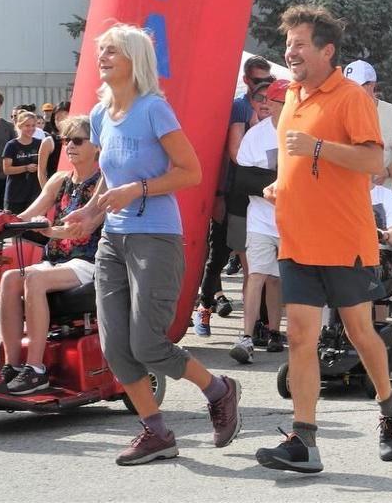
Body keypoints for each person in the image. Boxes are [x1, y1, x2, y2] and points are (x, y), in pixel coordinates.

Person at [64, 23, 241, 466]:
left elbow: (191, 172)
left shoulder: (154, 109)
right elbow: (111, 174)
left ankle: (218, 389)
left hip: (156, 237)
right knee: (115, 347)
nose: (102, 57)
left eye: (111, 52)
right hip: (113, 239)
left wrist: (137, 190)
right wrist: (90, 212)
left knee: (147, 344)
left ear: (134, 60)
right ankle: (156, 432)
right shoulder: (101, 115)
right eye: (100, 51)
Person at [252, 5, 392, 473]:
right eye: (289, 44)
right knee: (300, 335)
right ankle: (305, 441)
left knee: (361, 334)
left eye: (299, 44)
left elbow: (372, 162)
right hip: (297, 240)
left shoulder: (350, 98)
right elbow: (293, 162)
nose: (290, 52)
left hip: (345, 241)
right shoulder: (293, 96)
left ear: (326, 50)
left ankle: (388, 408)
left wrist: (317, 148)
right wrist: (282, 184)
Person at [0, 115, 103, 394]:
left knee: (34, 280)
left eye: (78, 140)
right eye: (67, 140)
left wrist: (50, 231)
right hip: (55, 259)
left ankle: (36, 369)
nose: (70, 146)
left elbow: (83, 229)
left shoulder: (104, 182)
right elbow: (27, 212)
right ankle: (13, 365)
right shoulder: (59, 180)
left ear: (97, 146)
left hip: (86, 261)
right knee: (10, 278)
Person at [194, 57, 274, 332]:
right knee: (218, 255)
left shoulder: (273, 113)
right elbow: (234, 155)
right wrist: (218, 194)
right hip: (231, 194)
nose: (263, 92)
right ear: (246, 82)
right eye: (256, 83)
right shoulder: (240, 108)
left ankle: (260, 325)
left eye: (267, 83)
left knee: (256, 265)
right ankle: (204, 307)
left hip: (258, 201)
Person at [229, 80, 288, 363]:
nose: (287, 106)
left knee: (276, 280)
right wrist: (277, 185)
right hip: (261, 220)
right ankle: (247, 335)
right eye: (283, 101)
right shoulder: (256, 135)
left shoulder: (303, 134)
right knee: (256, 275)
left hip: (292, 220)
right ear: (273, 105)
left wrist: (277, 186)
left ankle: (275, 331)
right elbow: (243, 179)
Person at [345, 60, 392, 192]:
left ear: (372, 85)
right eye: (347, 85)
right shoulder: (338, 112)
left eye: (357, 85)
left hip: (383, 196)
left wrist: (386, 172)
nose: (350, 90)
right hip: (349, 195)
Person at [2, 111, 43, 214]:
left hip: (34, 193)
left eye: (33, 125)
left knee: (33, 227)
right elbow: (7, 169)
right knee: (15, 226)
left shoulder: (40, 143)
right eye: (27, 125)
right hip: (15, 195)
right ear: (19, 126)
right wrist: (26, 168)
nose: (31, 128)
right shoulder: (11, 145)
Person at [37, 101, 72, 188]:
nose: (61, 122)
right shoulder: (49, 141)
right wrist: (47, 194)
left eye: (65, 117)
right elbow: (41, 173)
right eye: (58, 118)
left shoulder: (82, 139)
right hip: (55, 189)